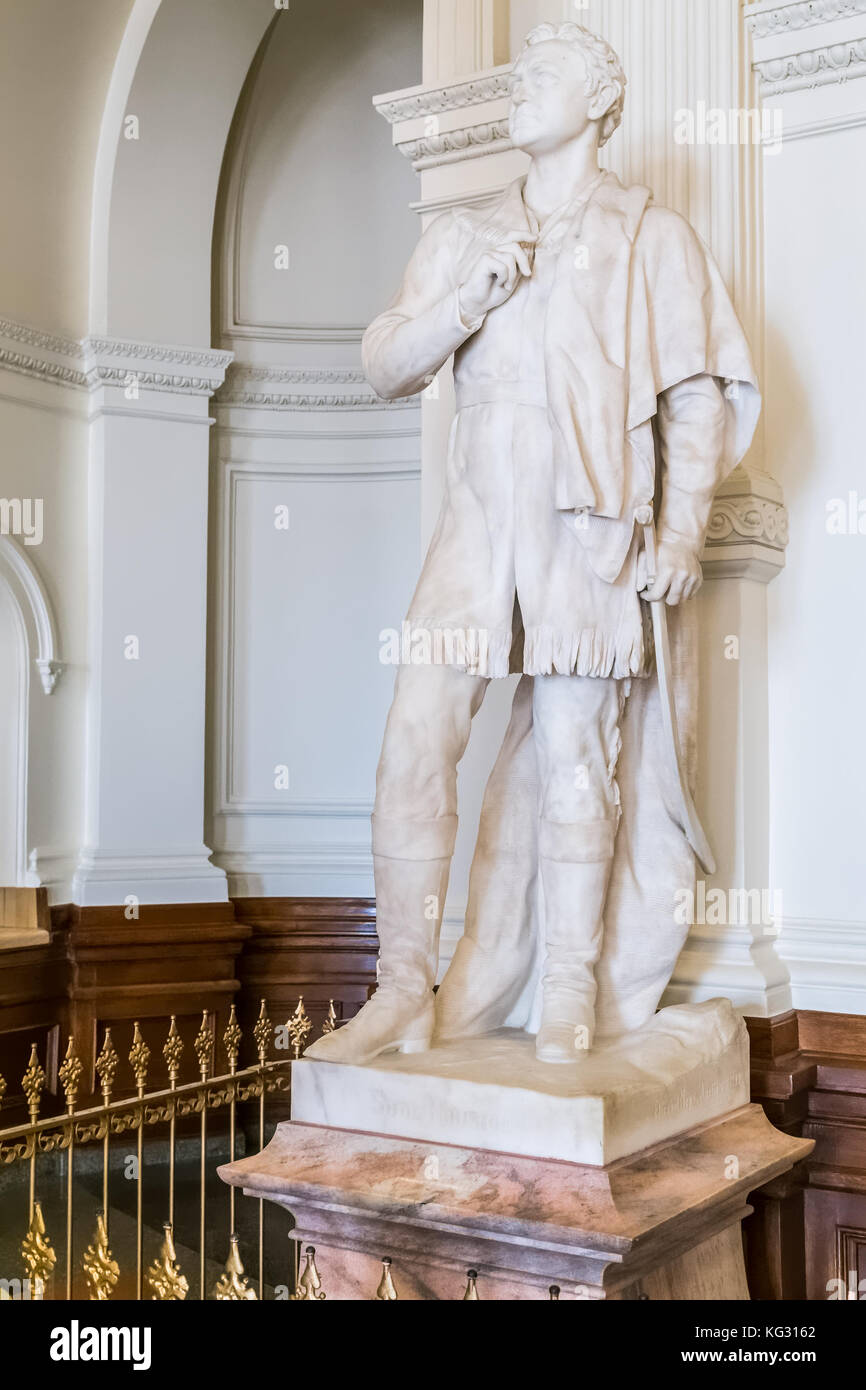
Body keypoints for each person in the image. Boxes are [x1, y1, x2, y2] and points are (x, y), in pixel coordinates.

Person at [305, 21, 759, 1068]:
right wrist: (466, 303)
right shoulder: (463, 238)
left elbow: (696, 395)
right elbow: (382, 362)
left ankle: (565, 984)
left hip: (586, 529)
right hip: (475, 531)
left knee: (573, 760)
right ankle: (400, 987)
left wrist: (682, 529)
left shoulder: (649, 236)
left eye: (543, 73)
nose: (519, 84)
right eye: (517, 71)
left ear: (600, 101)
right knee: (413, 740)